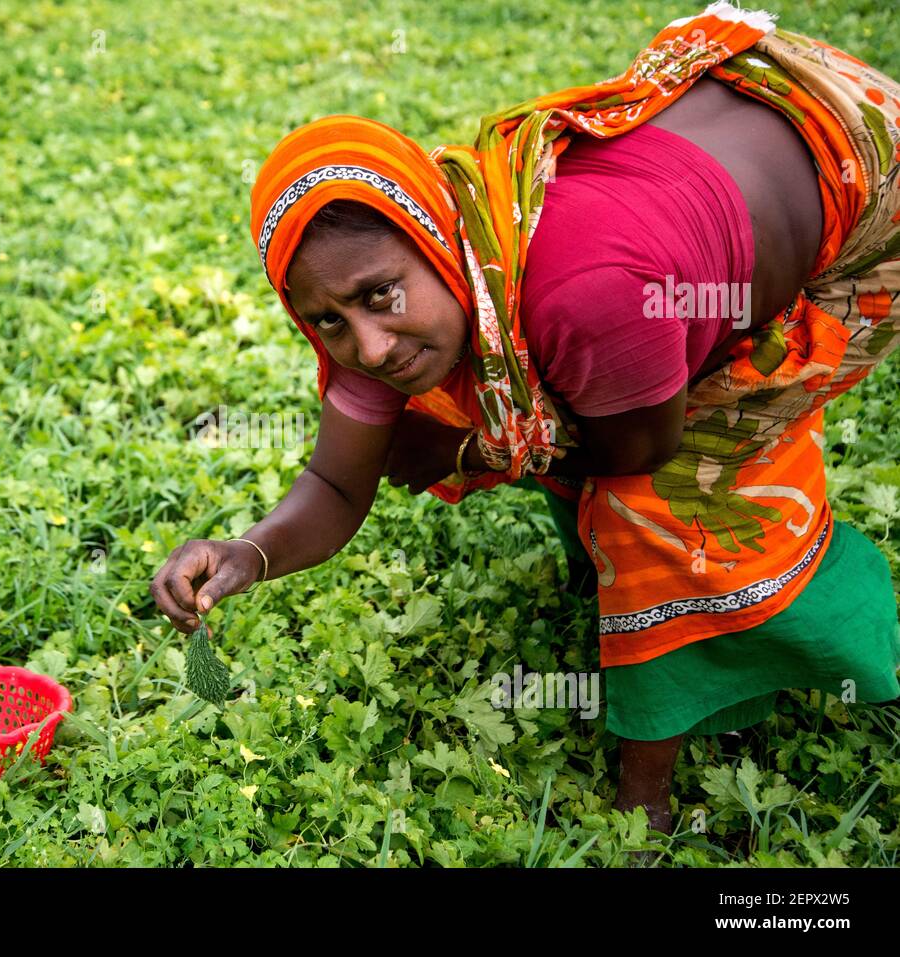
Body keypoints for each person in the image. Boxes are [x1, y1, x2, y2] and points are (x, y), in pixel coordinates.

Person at [149, 2, 900, 835]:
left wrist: (472, 445)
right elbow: (335, 479)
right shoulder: (432, 276)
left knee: (665, 502)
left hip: (860, 175)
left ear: (433, 235)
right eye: (327, 321)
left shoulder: (586, 296)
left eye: (378, 296)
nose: (369, 345)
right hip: (712, 154)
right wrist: (245, 552)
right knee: (546, 401)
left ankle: (651, 788)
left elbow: (639, 451)